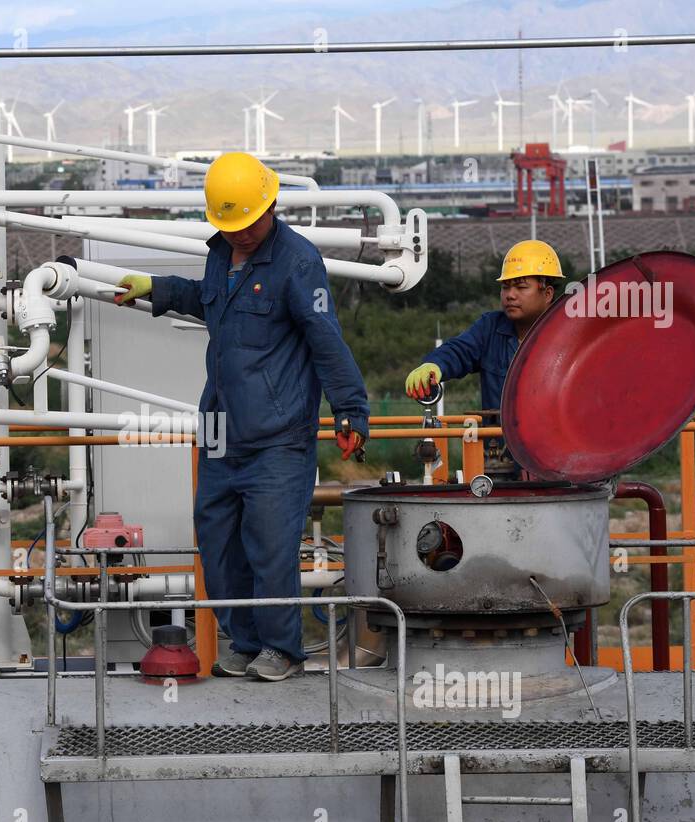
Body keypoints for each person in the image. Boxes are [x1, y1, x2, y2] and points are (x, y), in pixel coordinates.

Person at [115, 152, 370, 682]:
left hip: (278, 436)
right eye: (230, 225)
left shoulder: (298, 262)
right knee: (219, 545)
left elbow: (326, 341)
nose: (241, 234)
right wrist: (157, 289)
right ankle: (243, 640)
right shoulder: (220, 253)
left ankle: (281, 649)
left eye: (248, 222)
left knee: (270, 544)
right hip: (218, 430)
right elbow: (210, 302)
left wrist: (350, 409)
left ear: (271, 205)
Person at [404, 239, 564, 476]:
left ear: (547, 292)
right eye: (505, 287)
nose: (510, 295)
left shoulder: (567, 335)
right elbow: (459, 350)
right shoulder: (490, 328)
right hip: (501, 464)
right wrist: (434, 365)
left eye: (520, 288)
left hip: (557, 466)